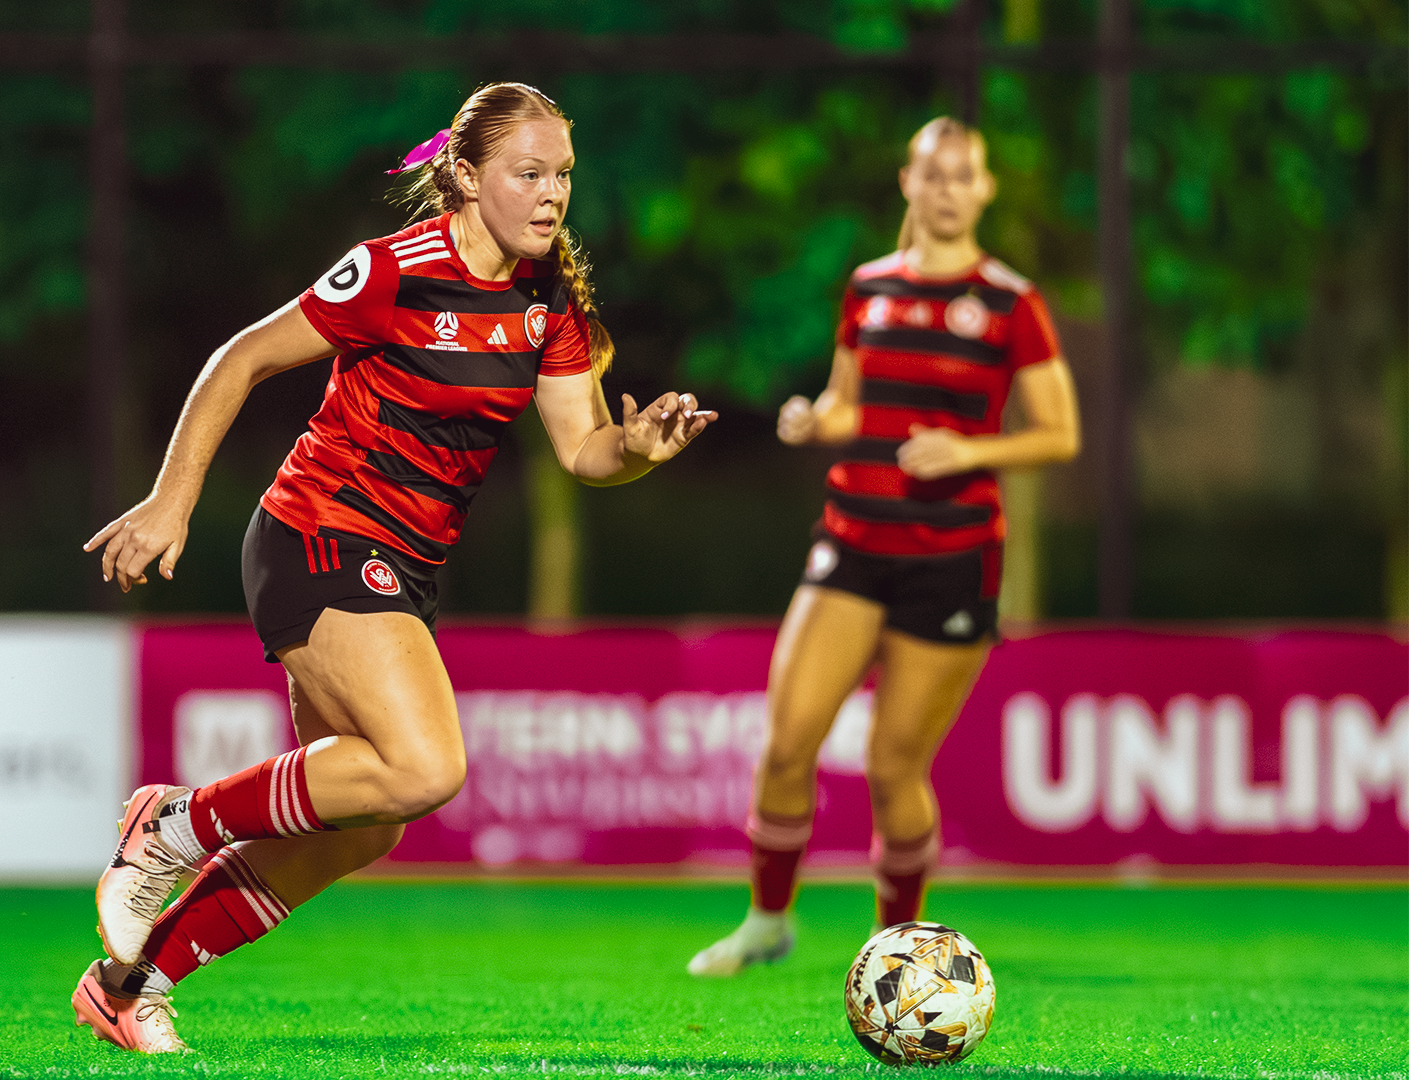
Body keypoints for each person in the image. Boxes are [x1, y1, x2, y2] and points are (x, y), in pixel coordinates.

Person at [68, 82, 716, 1052]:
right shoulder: (393, 272)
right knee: (427, 767)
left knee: (362, 828)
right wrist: (172, 499)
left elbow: (584, 449)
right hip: (320, 535)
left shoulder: (546, 298)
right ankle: (172, 822)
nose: (551, 197)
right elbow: (239, 359)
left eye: (563, 176)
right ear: (466, 174)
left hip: (402, 567)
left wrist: (639, 450)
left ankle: (133, 982)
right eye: (527, 174)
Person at [687, 117, 1080, 977]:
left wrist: (970, 449)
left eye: (962, 176)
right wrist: (812, 419)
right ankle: (767, 921)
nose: (946, 189)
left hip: (953, 557)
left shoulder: (1012, 302)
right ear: (908, 183)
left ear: (984, 190)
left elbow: (1060, 434)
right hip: (852, 542)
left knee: (894, 766)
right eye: (931, 174)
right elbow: (847, 404)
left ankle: (894, 945)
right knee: (788, 743)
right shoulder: (868, 286)